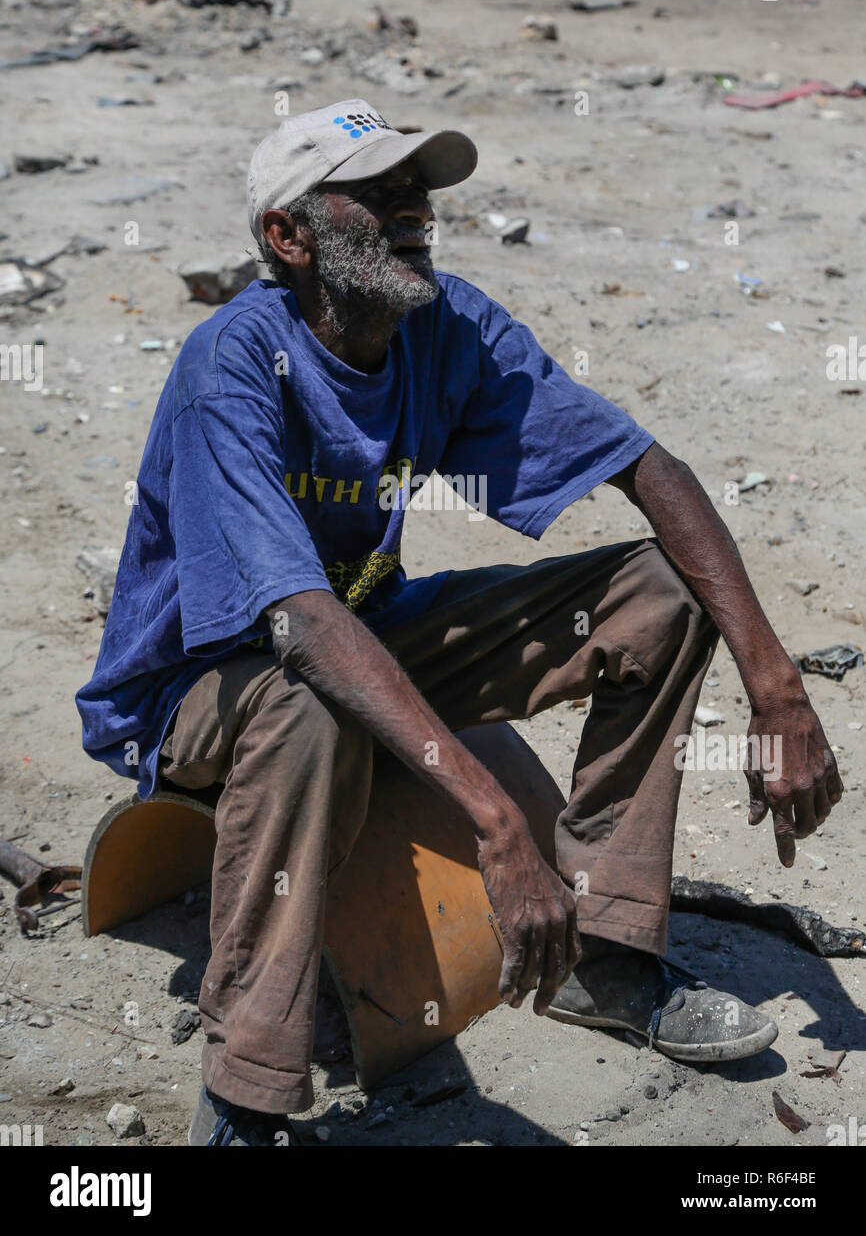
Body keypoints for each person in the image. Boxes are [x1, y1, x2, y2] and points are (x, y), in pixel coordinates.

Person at [76, 98, 843, 1146]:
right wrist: (496, 820)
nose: (415, 210)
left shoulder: (445, 327)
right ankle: (247, 1091)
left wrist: (777, 685)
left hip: (365, 630)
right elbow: (297, 624)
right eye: (377, 193)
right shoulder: (233, 366)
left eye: (418, 190)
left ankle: (607, 953)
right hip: (203, 692)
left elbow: (646, 466)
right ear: (287, 237)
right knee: (307, 706)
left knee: (662, 593)